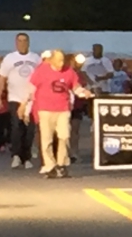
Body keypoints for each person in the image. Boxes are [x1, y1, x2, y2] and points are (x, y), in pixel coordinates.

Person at [26, 49, 92, 178]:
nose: (61, 64)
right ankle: (49, 165)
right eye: (58, 61)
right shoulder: (41, 70)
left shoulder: (69, 71)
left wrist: (84, 92)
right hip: (45, 109)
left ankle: (62, 164)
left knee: (64, 136)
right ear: (51, 60)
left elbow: (75, 87)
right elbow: (31, 87)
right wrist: (26, 105)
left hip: (62, 109)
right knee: (46, 139)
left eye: (62, 61)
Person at [0, 33, 42, 169]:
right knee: (16, 126)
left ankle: (26, 156)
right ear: (16, 43)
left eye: (25, 40)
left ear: (29, 42)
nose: (22, 43)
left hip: (31, 99)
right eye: (19, 41)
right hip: (15, 97)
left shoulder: (36, 58)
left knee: (30, 129)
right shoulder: (10, 58)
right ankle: (16, 155)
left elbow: (41, 77)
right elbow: (1, 78)